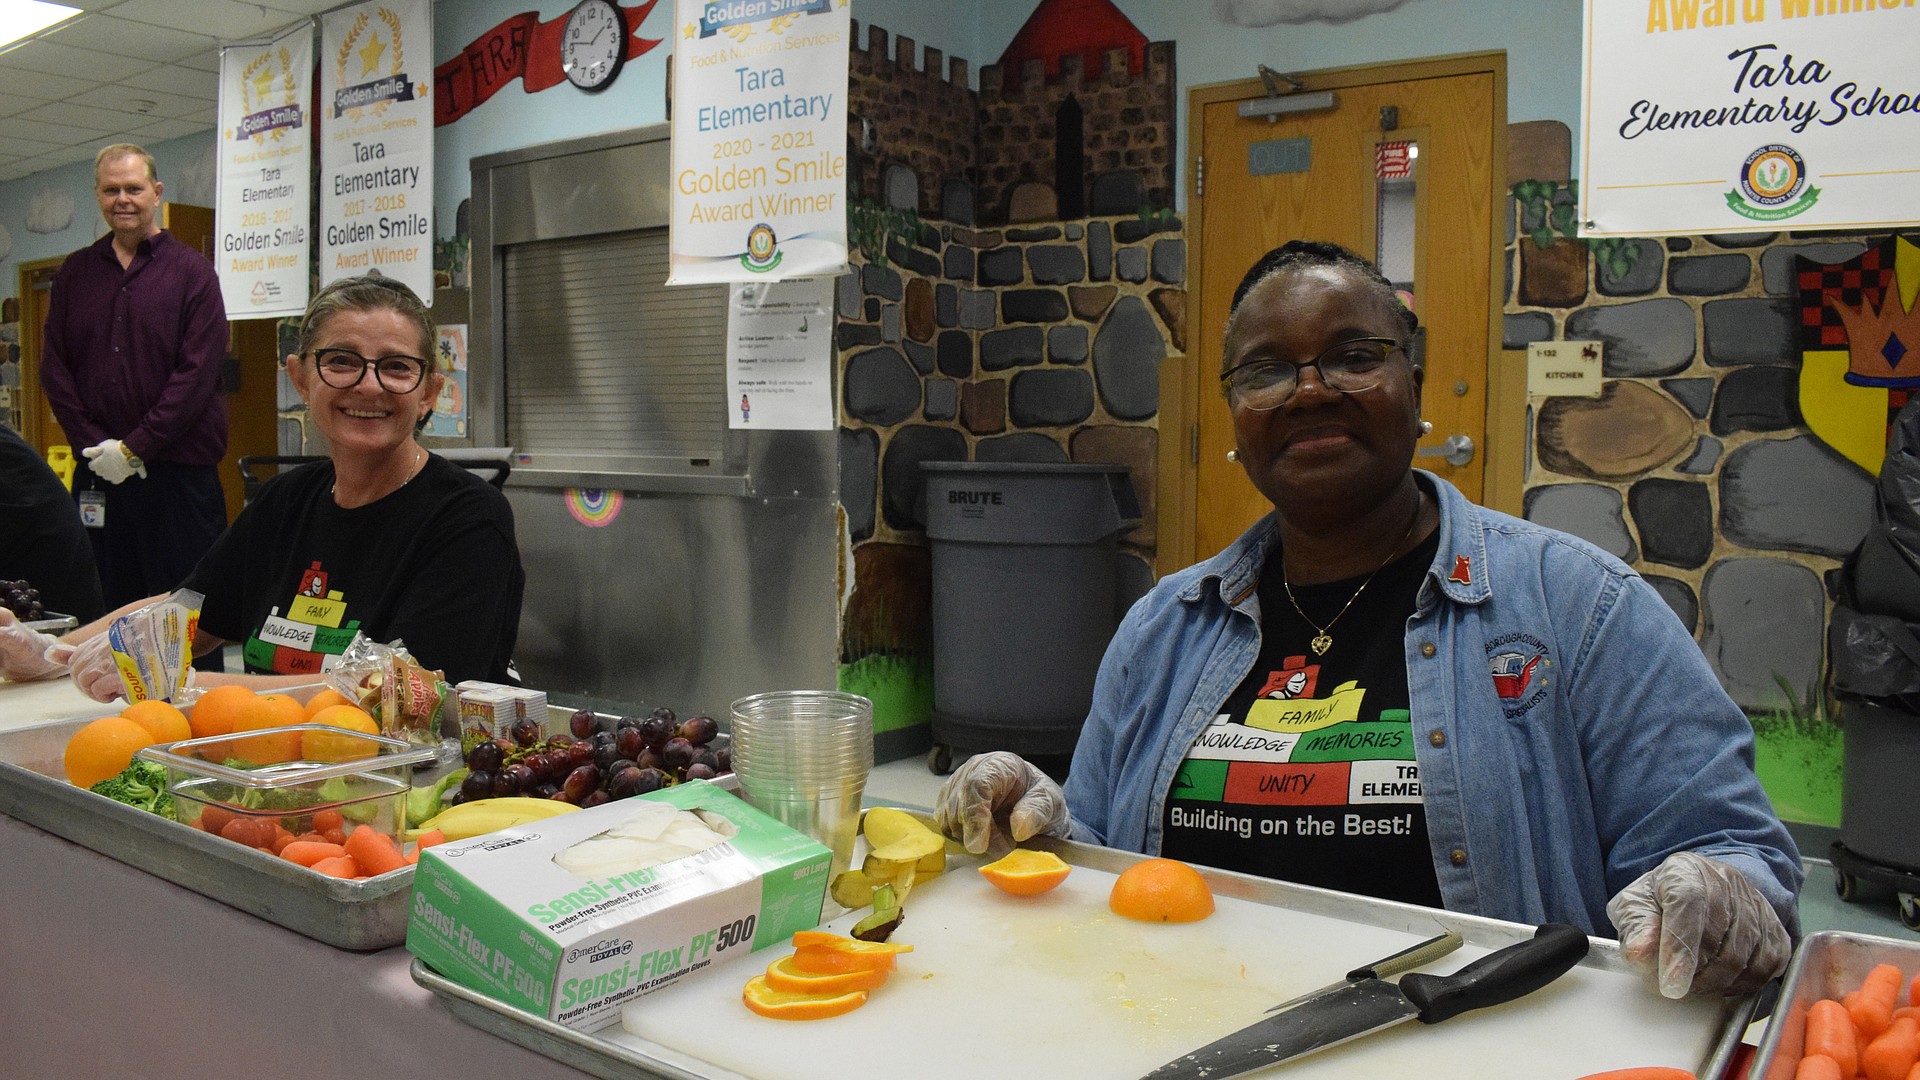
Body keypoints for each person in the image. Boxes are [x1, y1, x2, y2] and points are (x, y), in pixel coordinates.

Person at [936, 240, 1801, 1001]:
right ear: (1234, 415)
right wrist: (1035, 825)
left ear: (1413, 385)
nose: (1310, 391)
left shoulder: (1579, 606)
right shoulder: (1165, 626)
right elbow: (1097, 856)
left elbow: (1730, 850)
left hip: (1486, 1040)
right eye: (1266, 371)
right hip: (1178, 1020)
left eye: (1354, 357)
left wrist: (1722, 895)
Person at [55, 274, 525, 696]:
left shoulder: (468, 517)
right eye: (341, 361)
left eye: (397, 366)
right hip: (268, 756)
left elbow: (402, 692)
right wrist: (51, 654)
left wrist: (184, 683)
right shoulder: (286, 499)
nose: (369, 385)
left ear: (428, 394)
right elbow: (185, 614)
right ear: (300, 378)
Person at [39, 143, 230, 613]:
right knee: (105, 605)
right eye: (110, 190)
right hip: (99, 474)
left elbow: (196, 374)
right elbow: (55, 369)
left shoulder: (193, 273)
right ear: (97, 195)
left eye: (133, 188)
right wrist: (96, 446)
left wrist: (134, 448)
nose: (122, 199)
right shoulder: (75, 274)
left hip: (178, 478)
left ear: (156, 192)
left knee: (183, 610)